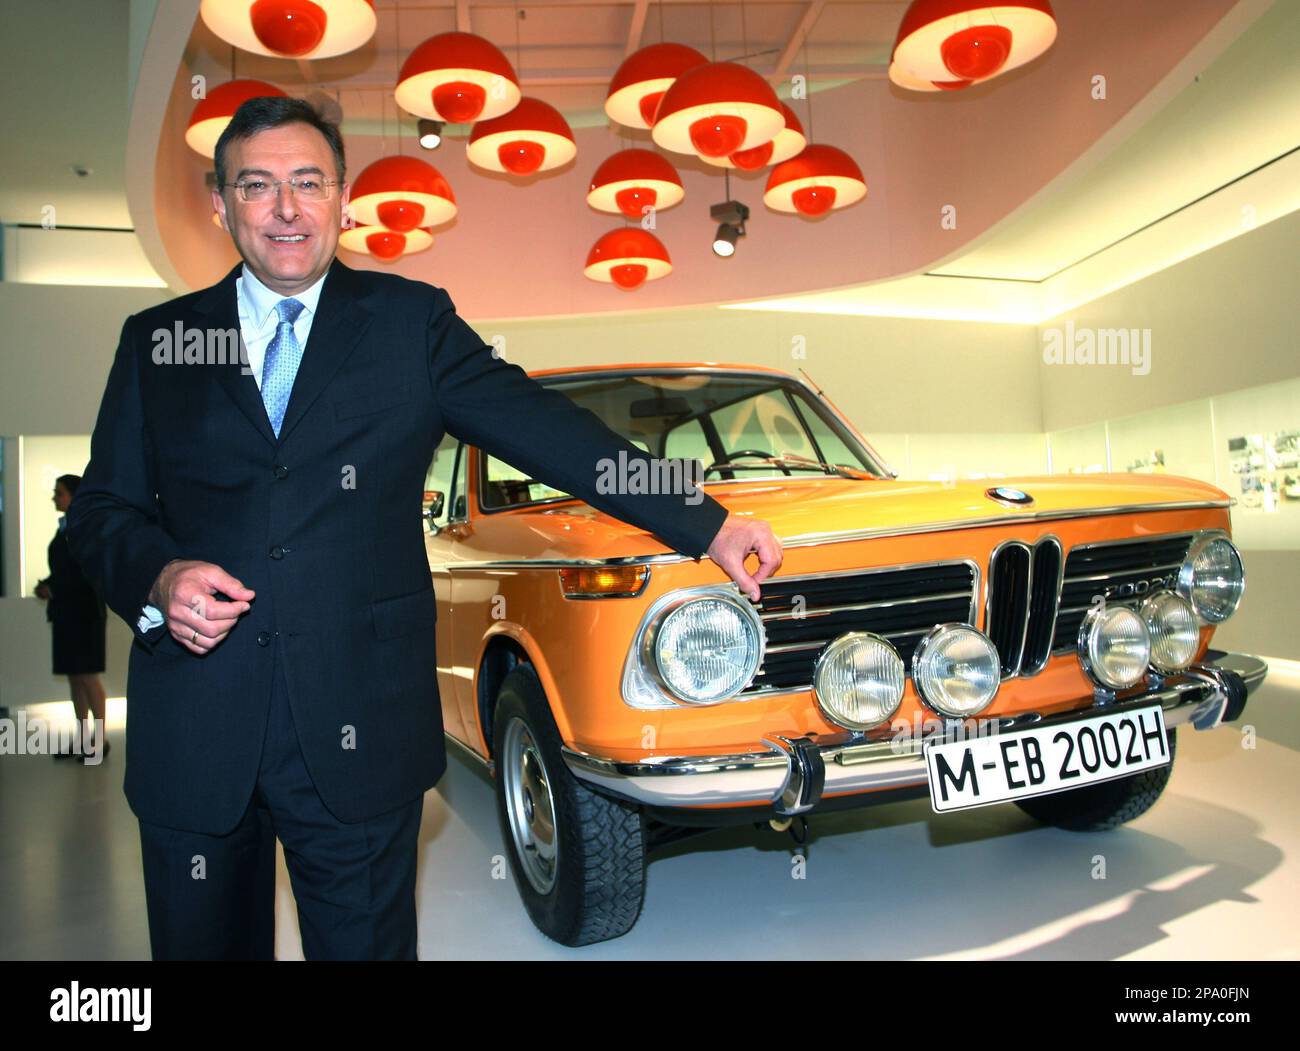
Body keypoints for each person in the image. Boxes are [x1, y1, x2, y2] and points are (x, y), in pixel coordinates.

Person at [66, 96, 782, 960]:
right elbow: (102, 511)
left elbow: (549, 431)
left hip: (357, 728)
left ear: (343, 200)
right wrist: (158, 577)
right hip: (196, 725)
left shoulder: (410, 325)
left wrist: (702, 519)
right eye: (257, 186)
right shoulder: (158, 343)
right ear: (220, 204)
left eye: (308, 183)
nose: (286, 209)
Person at [36, 473, 109, 761]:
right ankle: (83, 738)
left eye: (59, 492)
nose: (55, 497)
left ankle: (99, 742)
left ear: (74, 496)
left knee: (88, 677)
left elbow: (85, 572)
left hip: (84, 613)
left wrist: (53, 587)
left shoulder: (84, 527)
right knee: (75, 678)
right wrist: (49, 584)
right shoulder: (67, 527)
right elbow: (65, 569)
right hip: (68, 613)